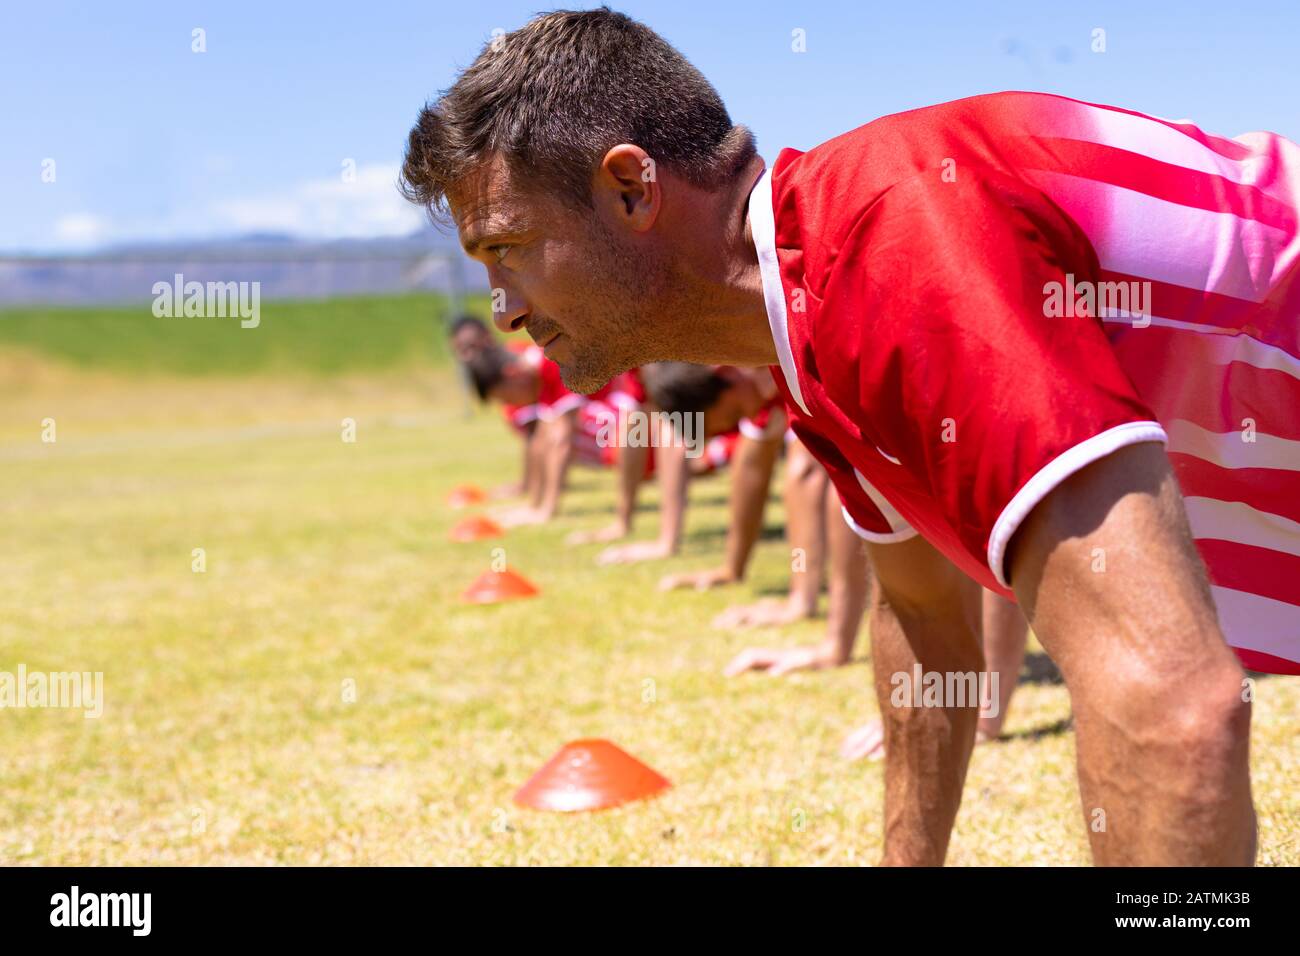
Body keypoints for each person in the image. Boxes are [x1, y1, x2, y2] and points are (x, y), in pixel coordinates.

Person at [400, 9, 1300, 865]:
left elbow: (1175, 707)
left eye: (508, 248)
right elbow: (923, 616)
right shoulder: (813, 313)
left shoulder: (895, 243)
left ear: (633, 189)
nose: (506, 309)